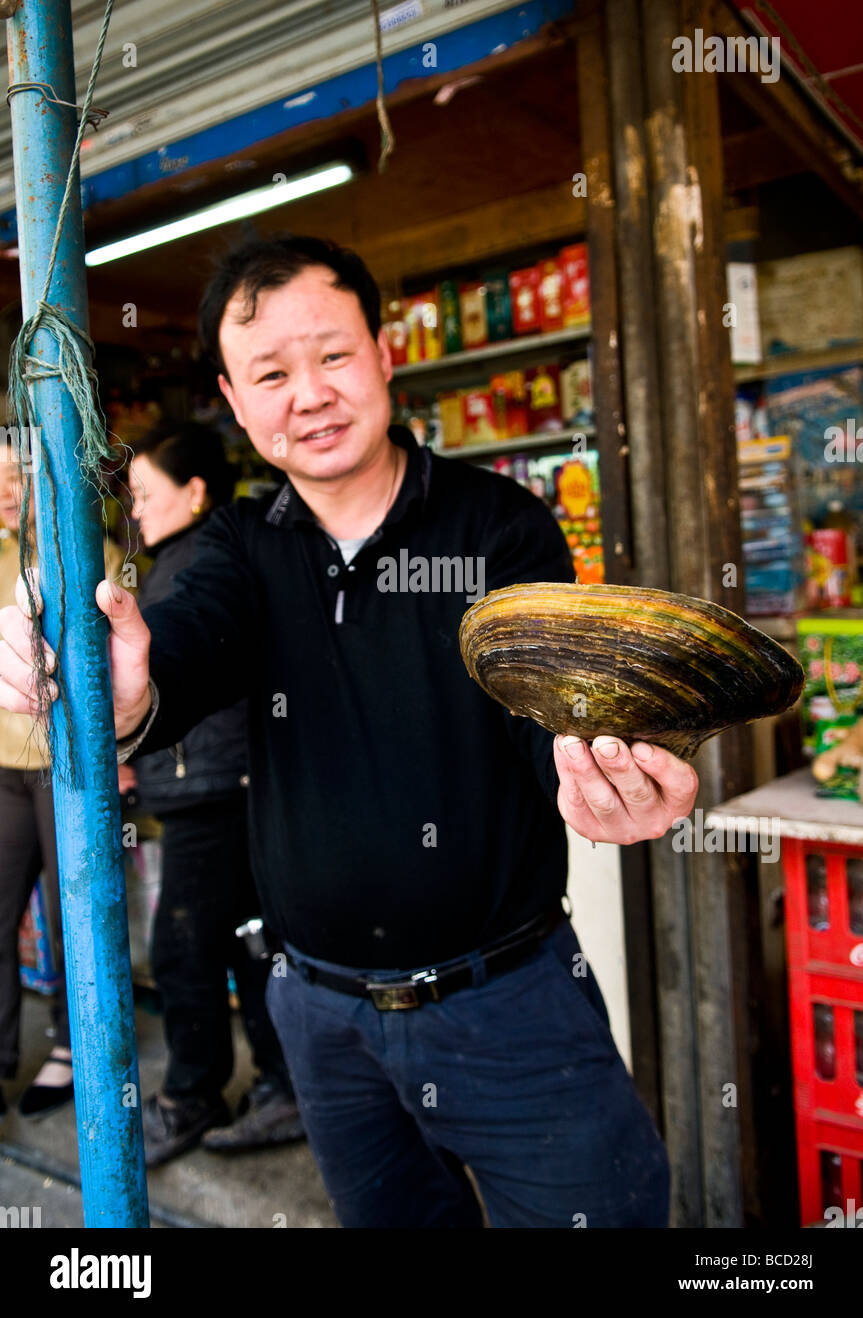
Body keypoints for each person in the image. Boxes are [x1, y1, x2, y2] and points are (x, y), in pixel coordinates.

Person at [0, 235, 699, 1227]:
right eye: (271, 373)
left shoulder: (498, 528)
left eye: (331, 355)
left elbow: (544, 710)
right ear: (236, 402)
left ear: (383, 353)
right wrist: (122, 690)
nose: (308, 393)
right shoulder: (242, 545)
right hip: (321, 1023)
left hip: (509, 1003)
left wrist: (593, 772)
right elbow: (181, 652)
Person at [125, 421, 302, 1164]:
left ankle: (193, 1096)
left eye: (142, 495)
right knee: (248, 942)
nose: (132, 512)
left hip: (215, 787)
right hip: (215, 784)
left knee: (185, 950)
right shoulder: (178, 559)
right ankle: (279, 1089)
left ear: (195, 492)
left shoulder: (202, 562)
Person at [0, 438, 123, 1119]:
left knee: (79, 912)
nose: (8, 492)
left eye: (19, 477)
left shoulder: (93, 555)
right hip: (2, 766)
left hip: (69, 764)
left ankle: (72, 1053)